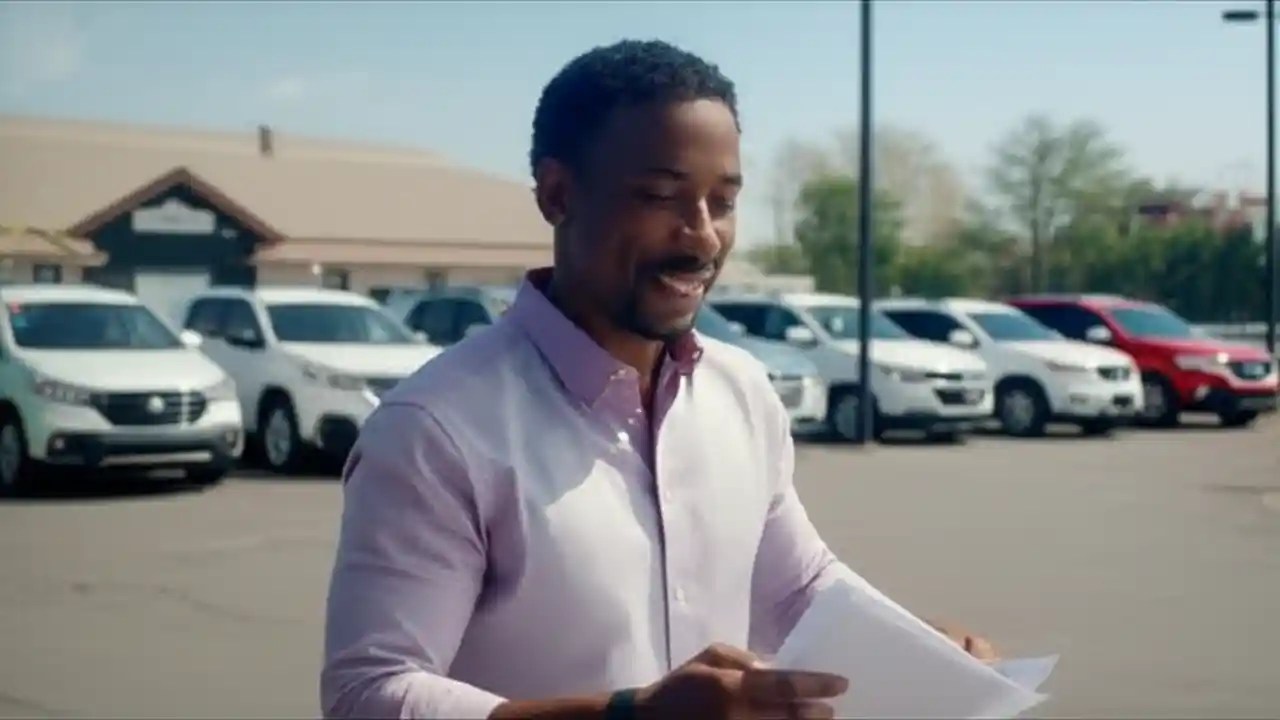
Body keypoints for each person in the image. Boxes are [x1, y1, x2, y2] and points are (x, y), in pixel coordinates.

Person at [321, 39, 996, 720]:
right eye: (660, 196)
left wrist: (916, 654)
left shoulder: (741, 391)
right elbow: (370, 694)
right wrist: (629, 715)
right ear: (558, 194)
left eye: (723, 202)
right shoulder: (436, 430)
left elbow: (797, 590)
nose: (702, 237)